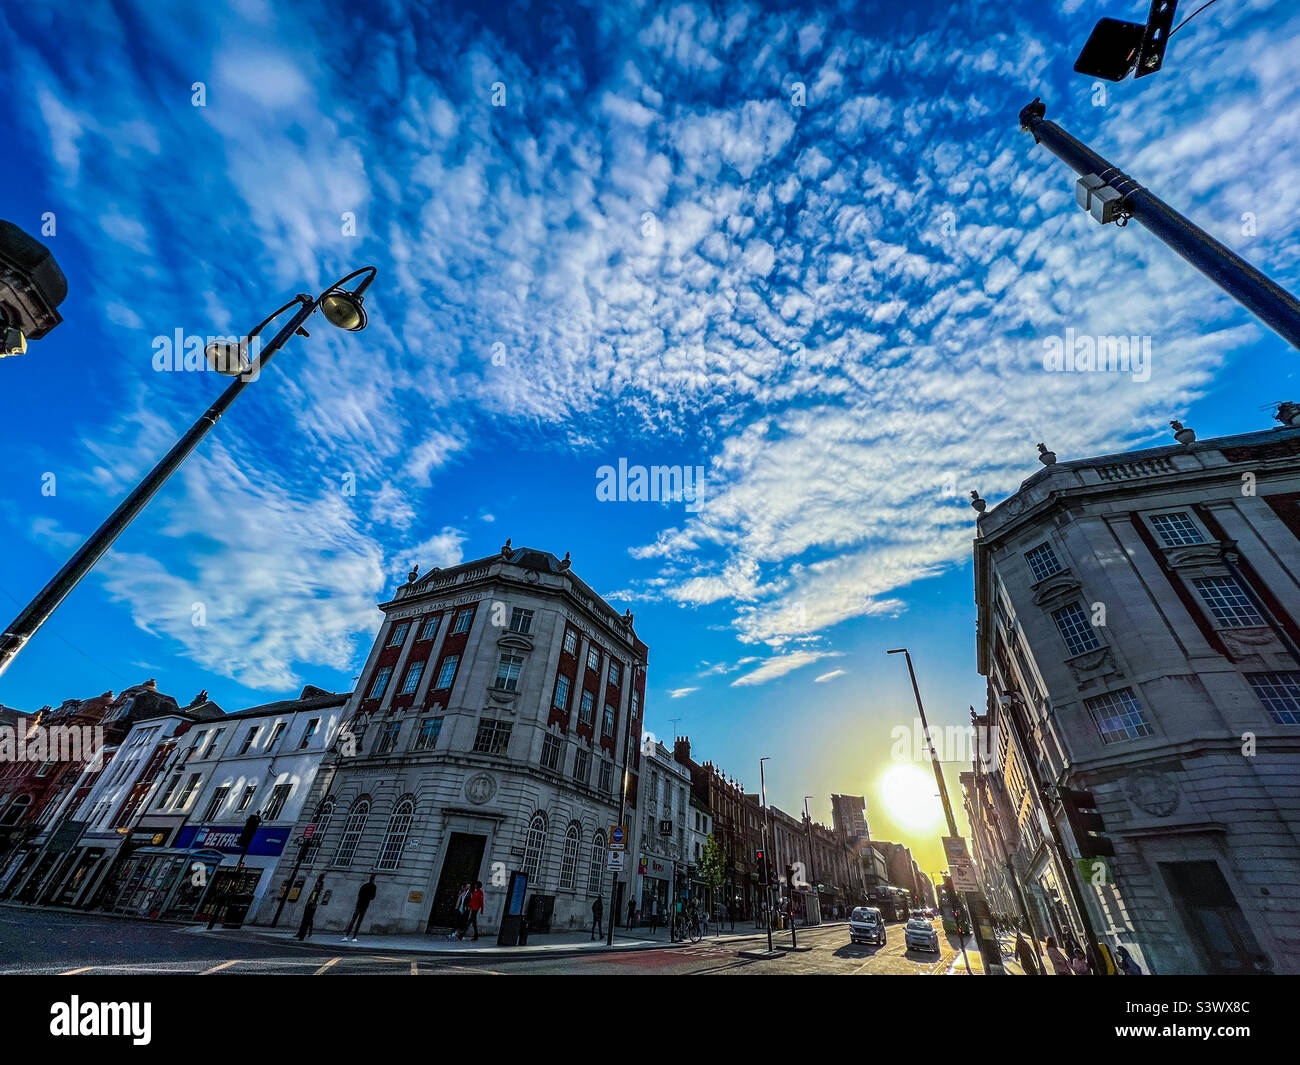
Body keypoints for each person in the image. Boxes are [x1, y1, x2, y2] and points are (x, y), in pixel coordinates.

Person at [342, 874, 376, 942]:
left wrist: (357, 904)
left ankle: (346, 936)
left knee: (353, 921)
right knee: (359, 922)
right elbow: (373, 897)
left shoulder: (364, 885)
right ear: (374, 879)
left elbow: (359, 895)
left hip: (359, 904)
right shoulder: (373, 887)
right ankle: (354, 937)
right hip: (365, 905)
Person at [297, 875, 325, 941]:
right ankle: (305, 933)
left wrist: (312, 901)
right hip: (311, 903)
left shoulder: (319, 886)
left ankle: (302, 935)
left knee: (307, 920)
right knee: (308, 919)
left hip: (312, 904)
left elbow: (315, 893)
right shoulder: (318, 885)